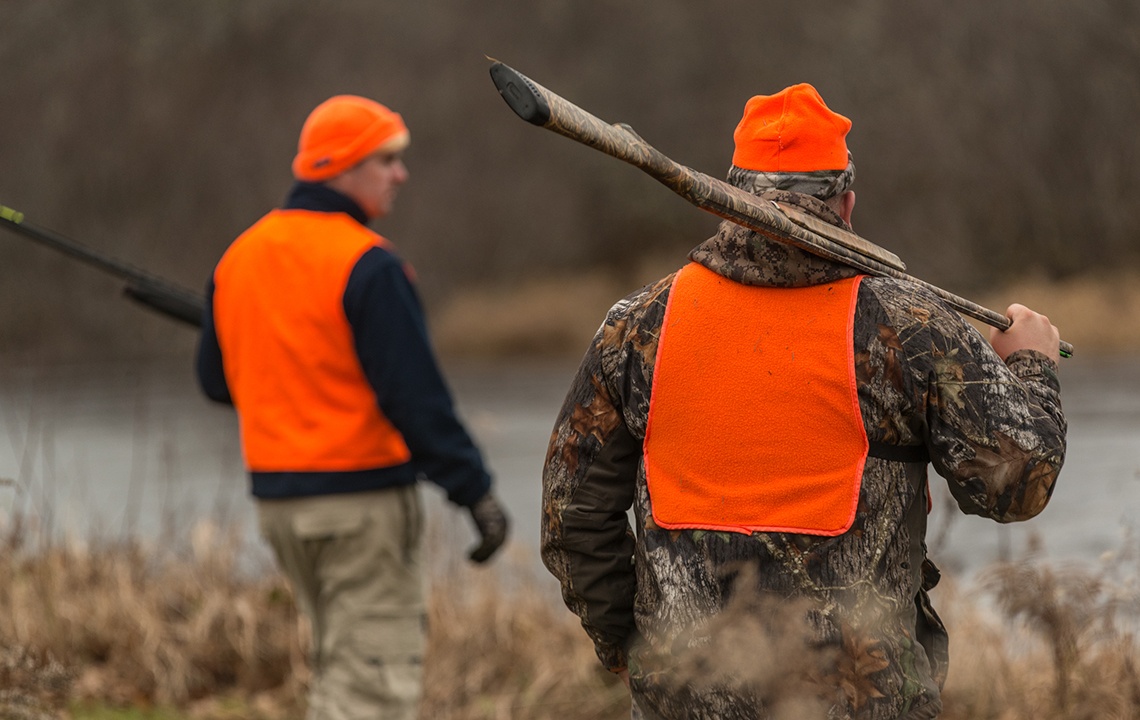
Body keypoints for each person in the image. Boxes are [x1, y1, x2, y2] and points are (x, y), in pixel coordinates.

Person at [540, 84, 1066, 719]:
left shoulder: (638, 326)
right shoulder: (912, 326)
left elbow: (571, 516)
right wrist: (1031, 363)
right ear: (847, 202)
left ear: (728, 198)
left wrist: (628, 647)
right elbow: (1018, 484)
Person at [195, 94, 508, 720]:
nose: (401, 174)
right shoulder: (369, 265)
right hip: (362, 509)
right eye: (386, 160)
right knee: (372, 692)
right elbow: (417, 401)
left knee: (340, 677)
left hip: (281, 509)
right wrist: (475, 493)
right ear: (340, 165)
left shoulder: (240, 256)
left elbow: (216, 382)